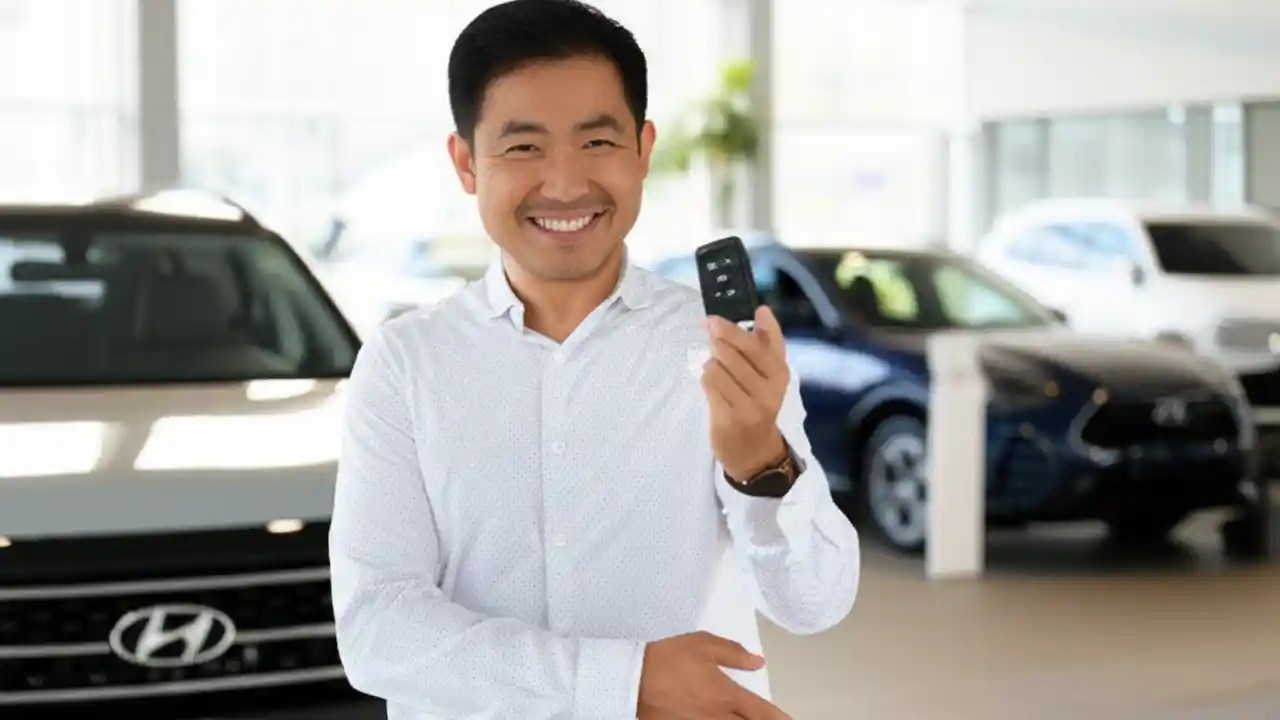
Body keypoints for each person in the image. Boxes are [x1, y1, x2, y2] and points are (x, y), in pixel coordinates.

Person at [327, 1, 860, 718]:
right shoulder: (402, 364)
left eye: (597, 142)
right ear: (465, 162)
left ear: (643, 149)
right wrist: (625, 681)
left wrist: (761, 461)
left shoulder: (718, 346)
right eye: (523, 147)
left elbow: (816, 601)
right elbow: (378, 629)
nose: (567, 183)